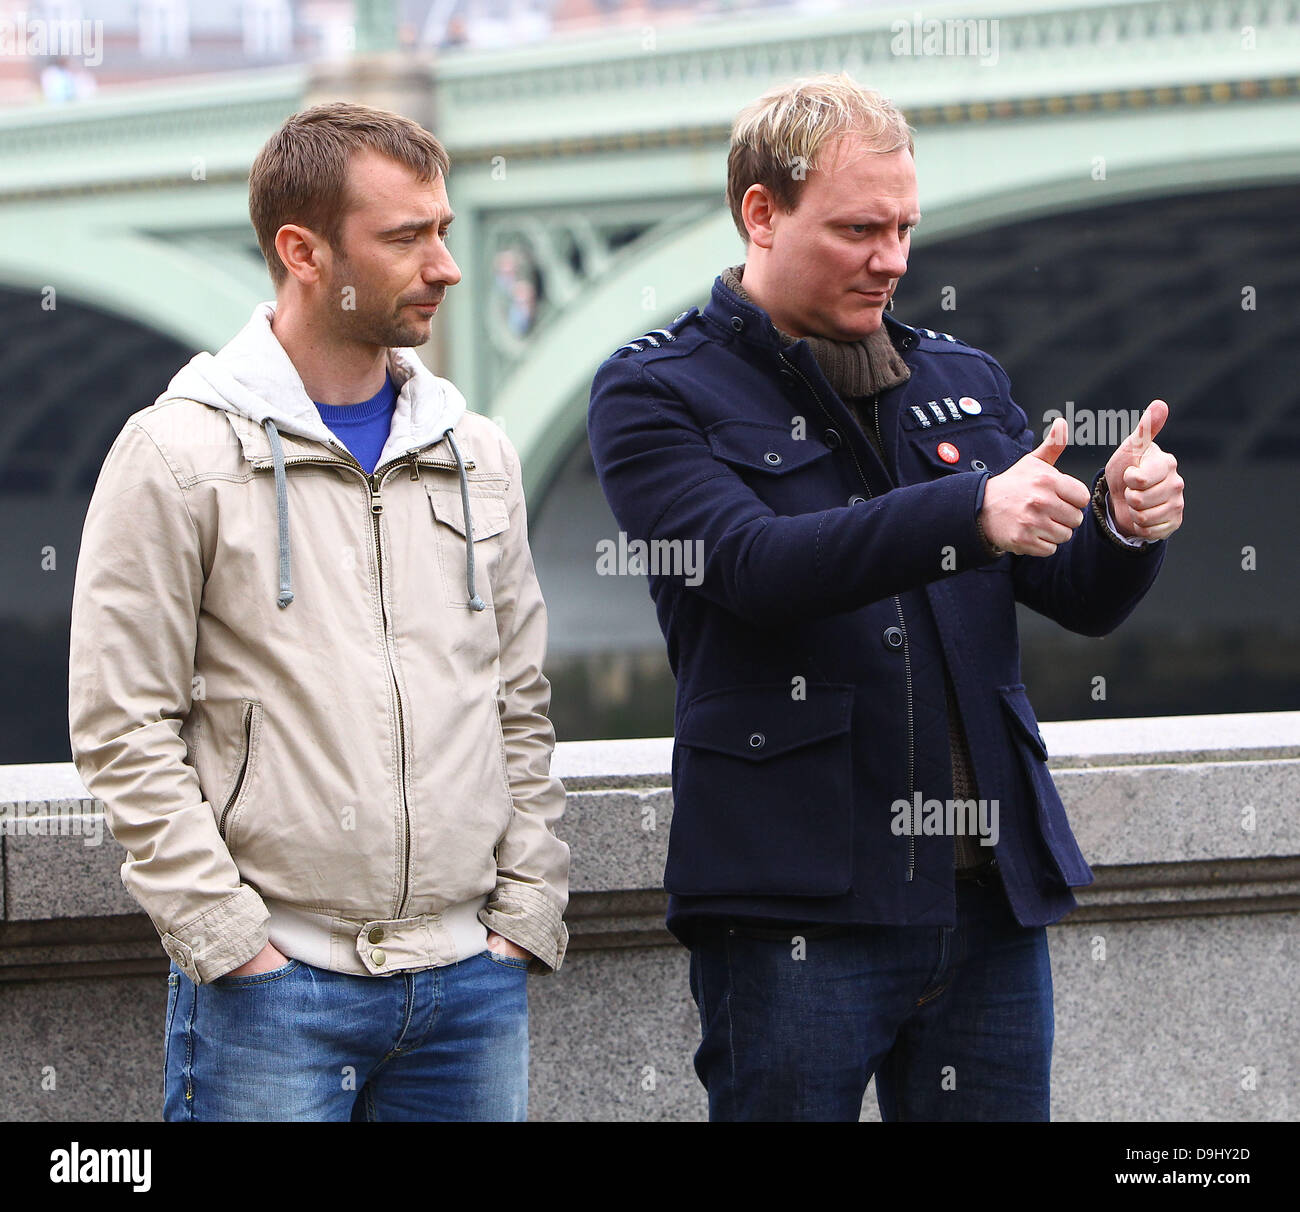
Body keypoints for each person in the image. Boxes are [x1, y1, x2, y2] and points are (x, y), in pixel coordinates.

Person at [586, 74, 1184, 1121]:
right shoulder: (654, 388)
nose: (894, 259)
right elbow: (752, 569)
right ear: (760, 213)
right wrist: (970, 512)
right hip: (793, 905)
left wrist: (1124, 522)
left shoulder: (960, 374)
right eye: (860, 228)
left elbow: (1075, 597)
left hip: (989, 895)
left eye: (905, 227)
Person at [68, 102, 569, 1122]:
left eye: (444, 230)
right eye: (406, 237)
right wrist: (228, 941)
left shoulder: (478, 454)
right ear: (303, 251)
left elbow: (517, 700)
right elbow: (122, 724)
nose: (445, 266)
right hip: (276, 990)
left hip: (469, 979)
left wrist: (525, 912)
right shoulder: (175, 457)